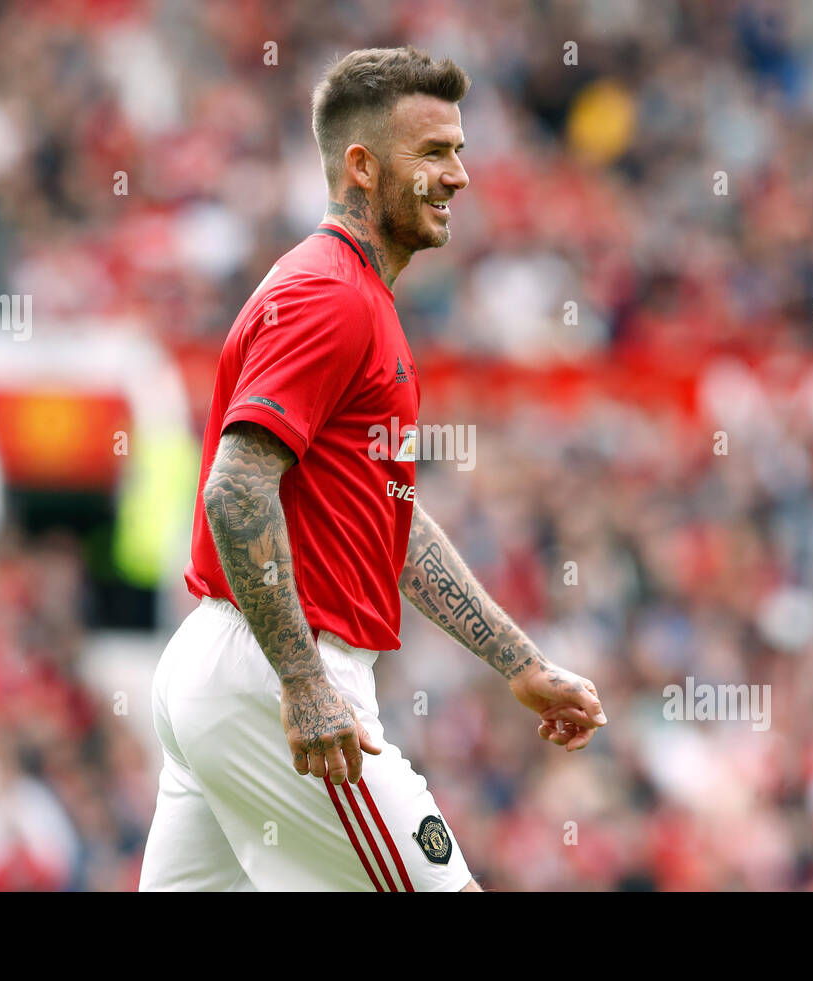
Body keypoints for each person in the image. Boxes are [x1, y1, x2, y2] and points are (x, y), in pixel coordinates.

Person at [139, 45, 607, 892]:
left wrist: (520, 664)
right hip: (275, 670)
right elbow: (234, 485)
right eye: (434, 153)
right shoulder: (332, 297)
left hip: (229, 668)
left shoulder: (359, 300)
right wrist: (304, 681)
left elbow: (389, 523)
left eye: (460, 151)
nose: (459, 175)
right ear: (361, 166)